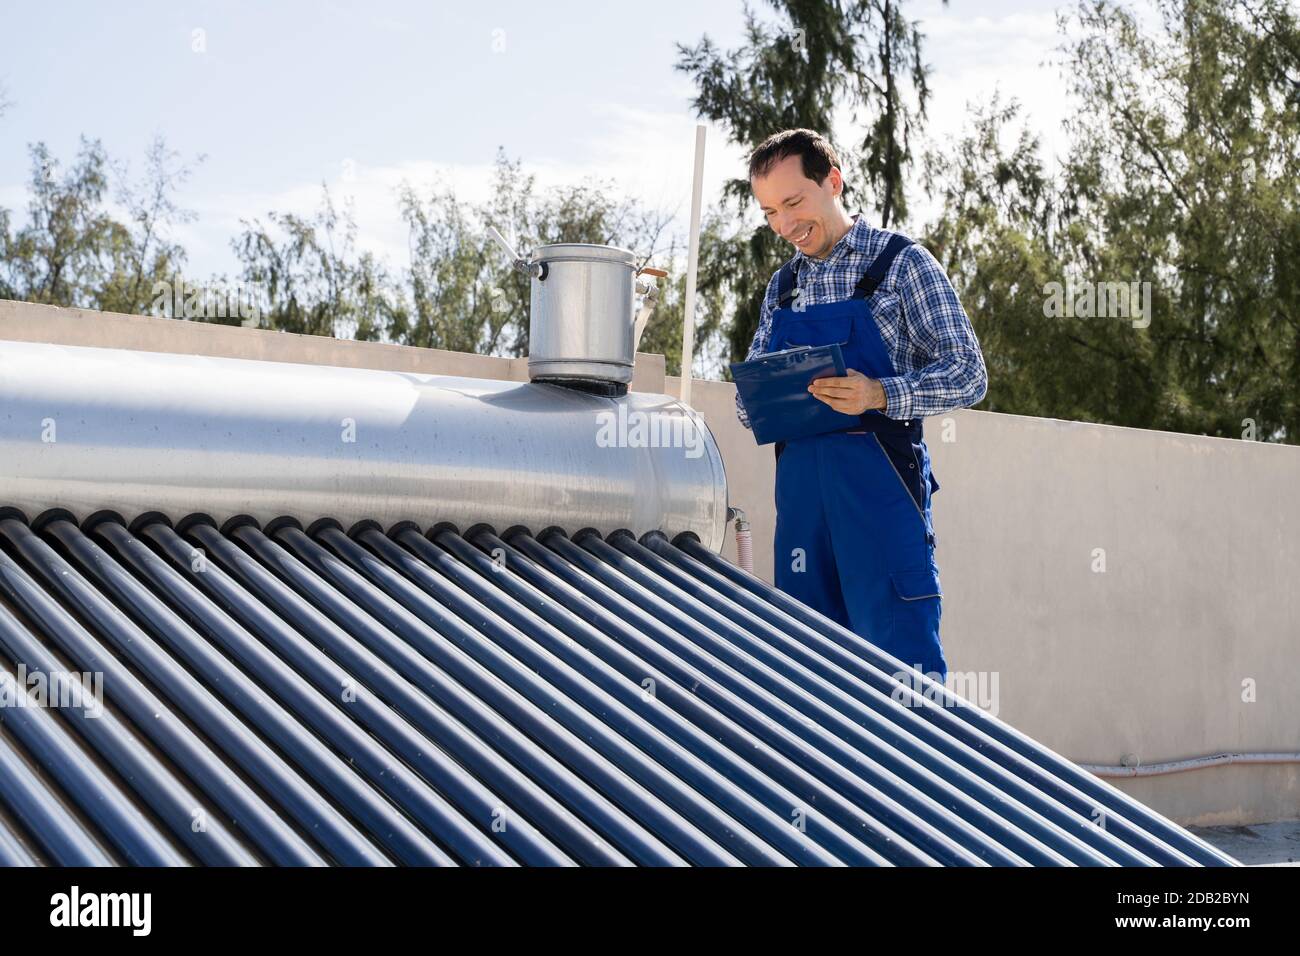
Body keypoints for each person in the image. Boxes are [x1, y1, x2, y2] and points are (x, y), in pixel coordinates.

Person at [735, 128, 988, 682]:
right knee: (810, 682)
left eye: (794, 203)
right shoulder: (782, 290)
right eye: (770, 212)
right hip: (802, 511)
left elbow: (969, 373)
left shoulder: (901, 265)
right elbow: (745, 405)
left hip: (881, 505)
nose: (784, 226)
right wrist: (765, 398)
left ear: (833, 181)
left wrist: (879, 394)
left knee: (905, 680)